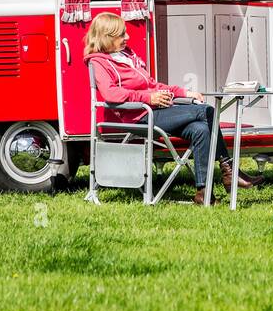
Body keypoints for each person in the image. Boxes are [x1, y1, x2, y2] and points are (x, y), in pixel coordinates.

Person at [83, 12, 261, 205]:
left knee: (200, 129)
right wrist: (148, 98)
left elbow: (152, 84)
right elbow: (110, 94)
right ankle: (230, 171)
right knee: (208, 111)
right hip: (138, 116)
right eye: (121, 35)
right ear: (106, 37)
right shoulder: (98, 61)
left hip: (154, 111)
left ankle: (204, 193)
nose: (127, 37)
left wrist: (183, 92)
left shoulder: (128, 55)